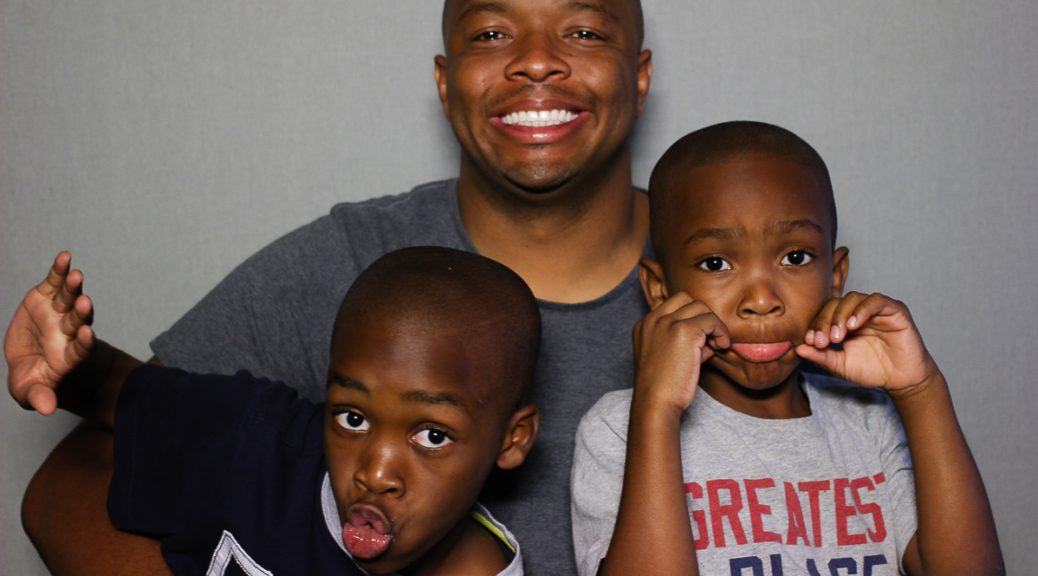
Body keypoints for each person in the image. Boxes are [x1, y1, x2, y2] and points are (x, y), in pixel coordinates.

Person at [22, 2, 653, 574]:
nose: (537, 59)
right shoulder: (351, 264)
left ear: (640, 75)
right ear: (444, 79)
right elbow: (74, 482)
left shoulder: (732, 277)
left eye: (584, 31)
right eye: (491, 32)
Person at [571, 121, 1004, 575]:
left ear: (835, 277)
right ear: (659, 290)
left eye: (795, 257)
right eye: (716, 263)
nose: (761, 300)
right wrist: (657, 411)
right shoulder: (621, 428)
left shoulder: (871, 422)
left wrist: (921, 390)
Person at [8, 247, 543, 575]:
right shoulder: (262, 436)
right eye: (352, 418)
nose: (375, 473)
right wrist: (67, 364)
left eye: (431, 436)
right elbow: (118, 391)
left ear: (511, 439)